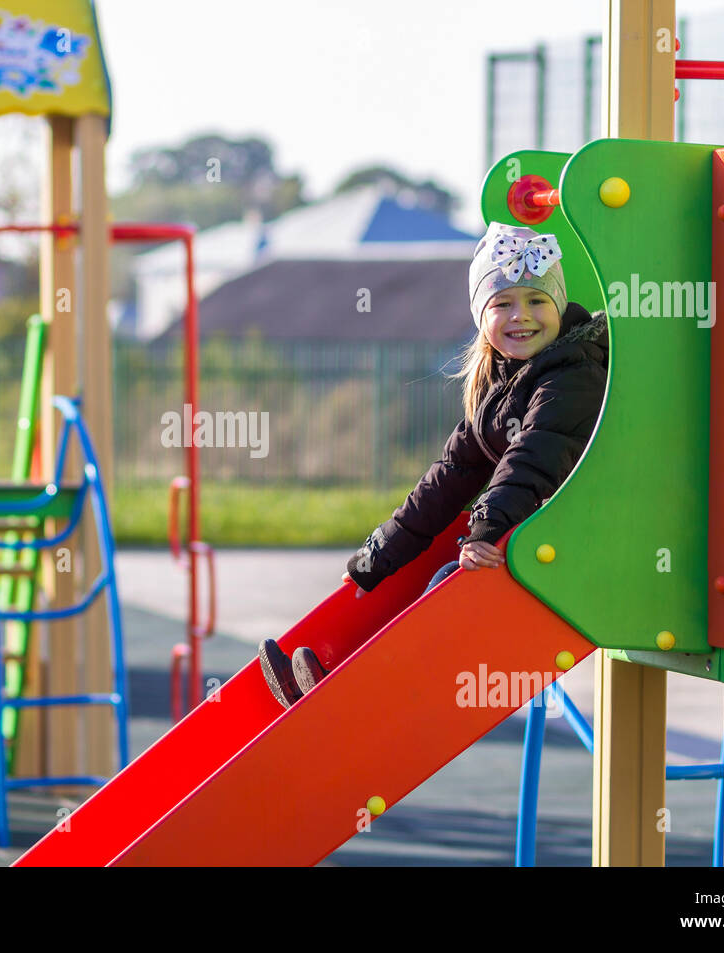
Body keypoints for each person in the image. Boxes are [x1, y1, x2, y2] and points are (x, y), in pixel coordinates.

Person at [259, 221, 610, 708]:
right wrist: (379, 554)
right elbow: (449, 477)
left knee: (452, 589)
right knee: (440, 580)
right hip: (535, 536)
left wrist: (486, 528)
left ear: (558, 305)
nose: (521, 316)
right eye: (503, 304)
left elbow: (535, 455)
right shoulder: (501, 381)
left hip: (575, 546)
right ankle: (339, 677)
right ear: (480, 317)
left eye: (536, 301)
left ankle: (355, 693)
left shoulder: (573, 374)